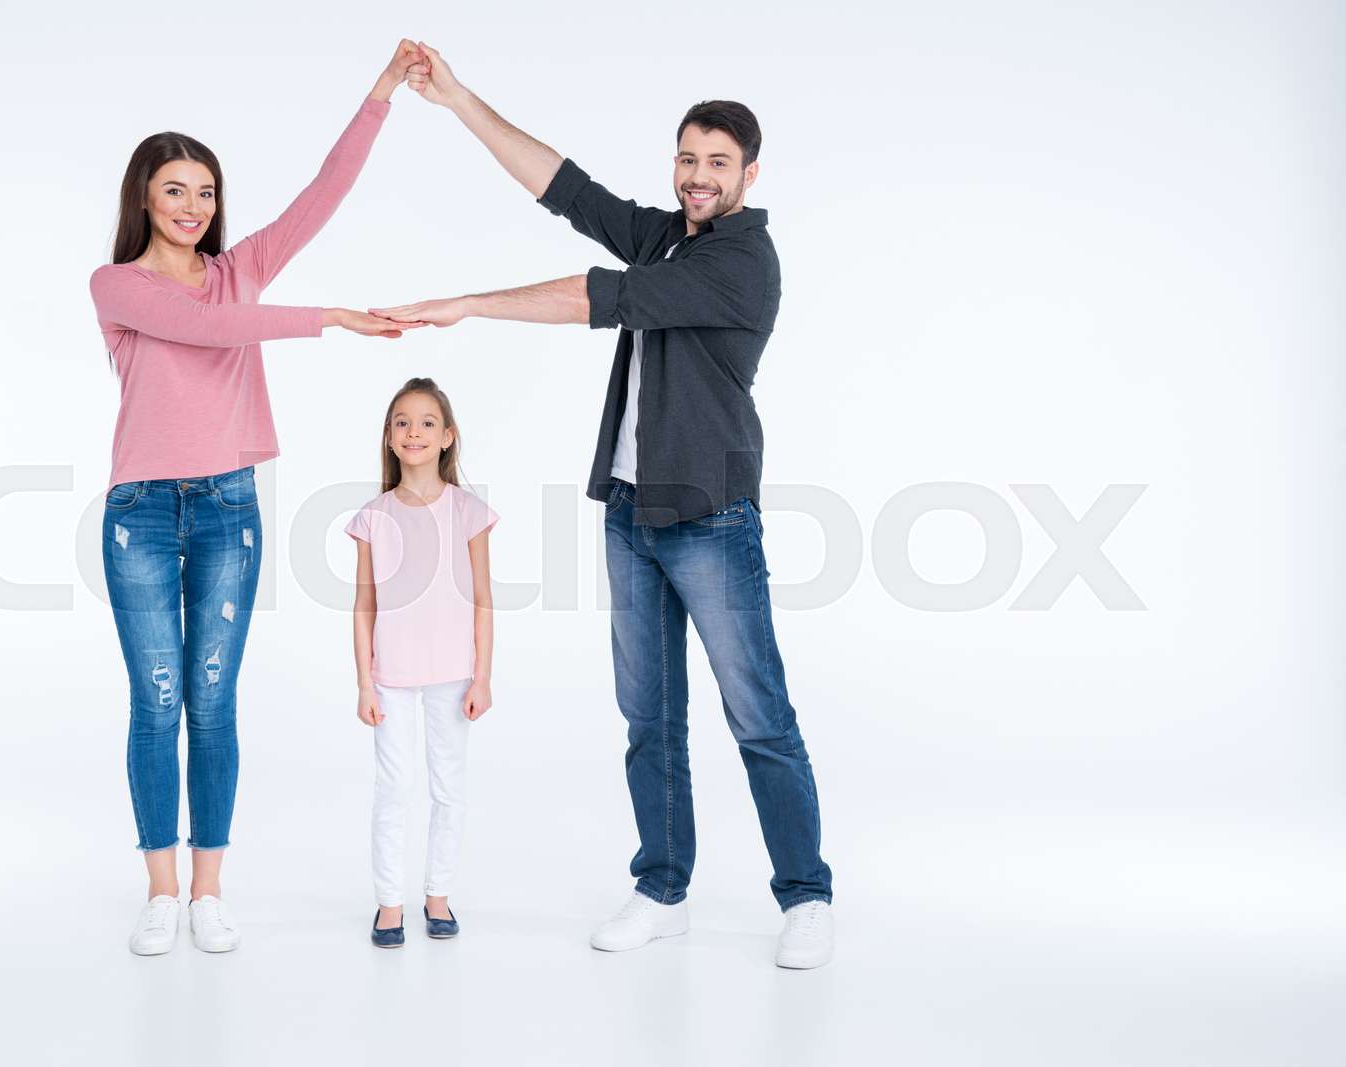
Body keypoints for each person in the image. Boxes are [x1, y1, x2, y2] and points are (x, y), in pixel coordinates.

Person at [376, 45, 835, 969]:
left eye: (717, 163)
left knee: (759, 714)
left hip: (710, 518)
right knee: (649, 717)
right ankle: (663, 888)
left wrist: (467, 302)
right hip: (631, 514)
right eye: (686, 159)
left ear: (750, 173)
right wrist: (460, 99)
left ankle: (807, 895)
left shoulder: (743, 263)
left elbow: (600, 298)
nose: (698, 177)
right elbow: (567, 189)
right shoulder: (672, 235)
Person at [89, 42, 427, 957]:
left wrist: (381, 92)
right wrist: (328, 318)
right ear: (144, 201)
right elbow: (204, 327)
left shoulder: (241, 269)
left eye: (205, 192)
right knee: (157, 697)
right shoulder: (117, 286)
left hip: (229, 507)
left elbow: (324, 194)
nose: (193, 207)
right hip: (143, 515)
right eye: (175, 191)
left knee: (213, 696)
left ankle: (208, 888)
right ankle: (159, 889)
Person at [345, 378, 499, 948]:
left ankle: (438, 894)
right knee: (393, 789)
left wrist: (482, 675)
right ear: (389, 436)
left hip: (453, 674)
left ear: (448, 436)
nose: (415, 431)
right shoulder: (372, 516)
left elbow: (483, 598)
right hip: (391, 678)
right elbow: (364, 605)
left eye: (427, 422)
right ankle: (390, 902)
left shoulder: (469, 512)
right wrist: (364, 681)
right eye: (403, 422)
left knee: (448, 787)